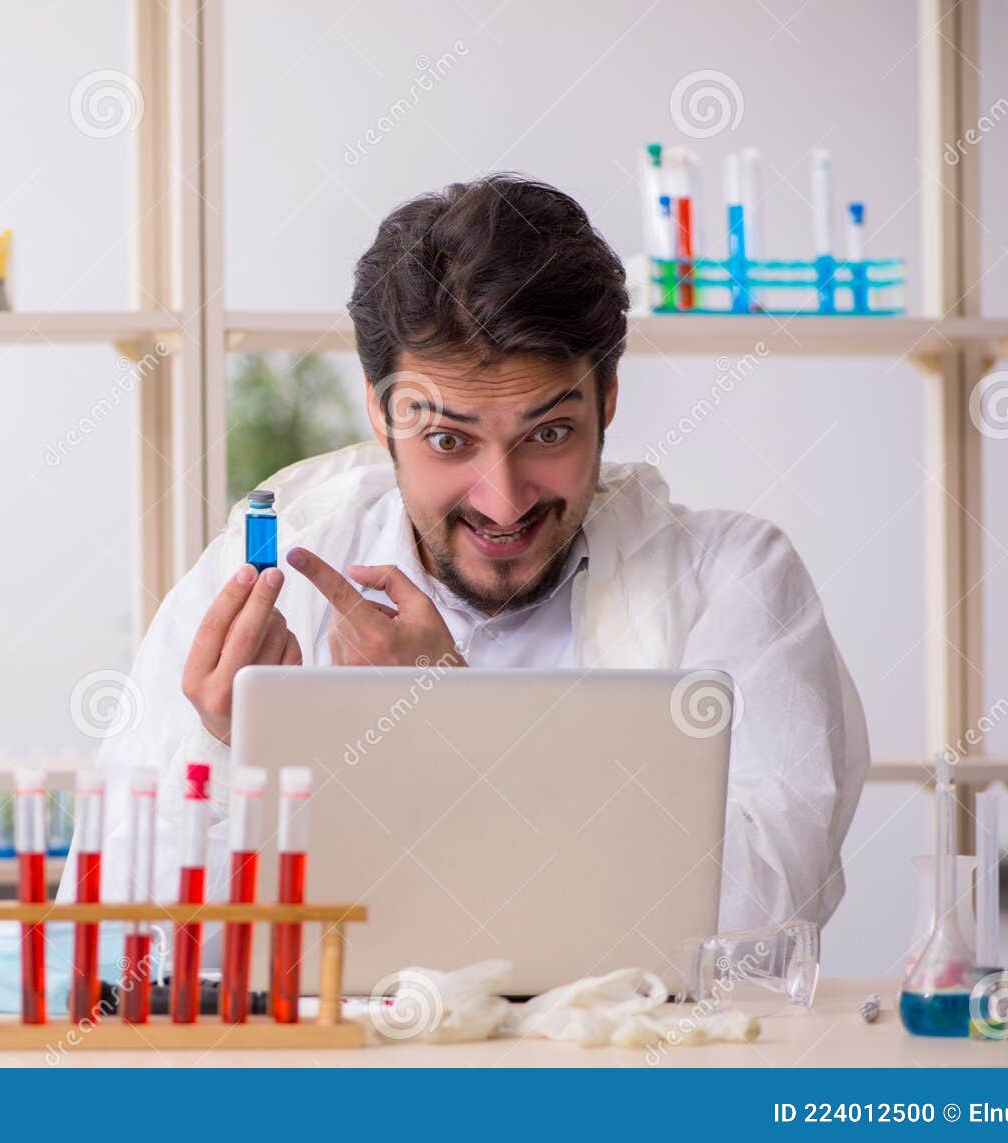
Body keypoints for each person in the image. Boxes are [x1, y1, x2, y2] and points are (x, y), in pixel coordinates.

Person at [64, 173, 868, 934]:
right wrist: (224, 746)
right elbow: (109, 938)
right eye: (449, 440)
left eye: (547, 434)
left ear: (608, 400)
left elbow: (760, 918)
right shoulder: (270, 574)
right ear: (380, 418)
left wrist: (445, 721)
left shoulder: (733, 579)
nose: (503, 499)